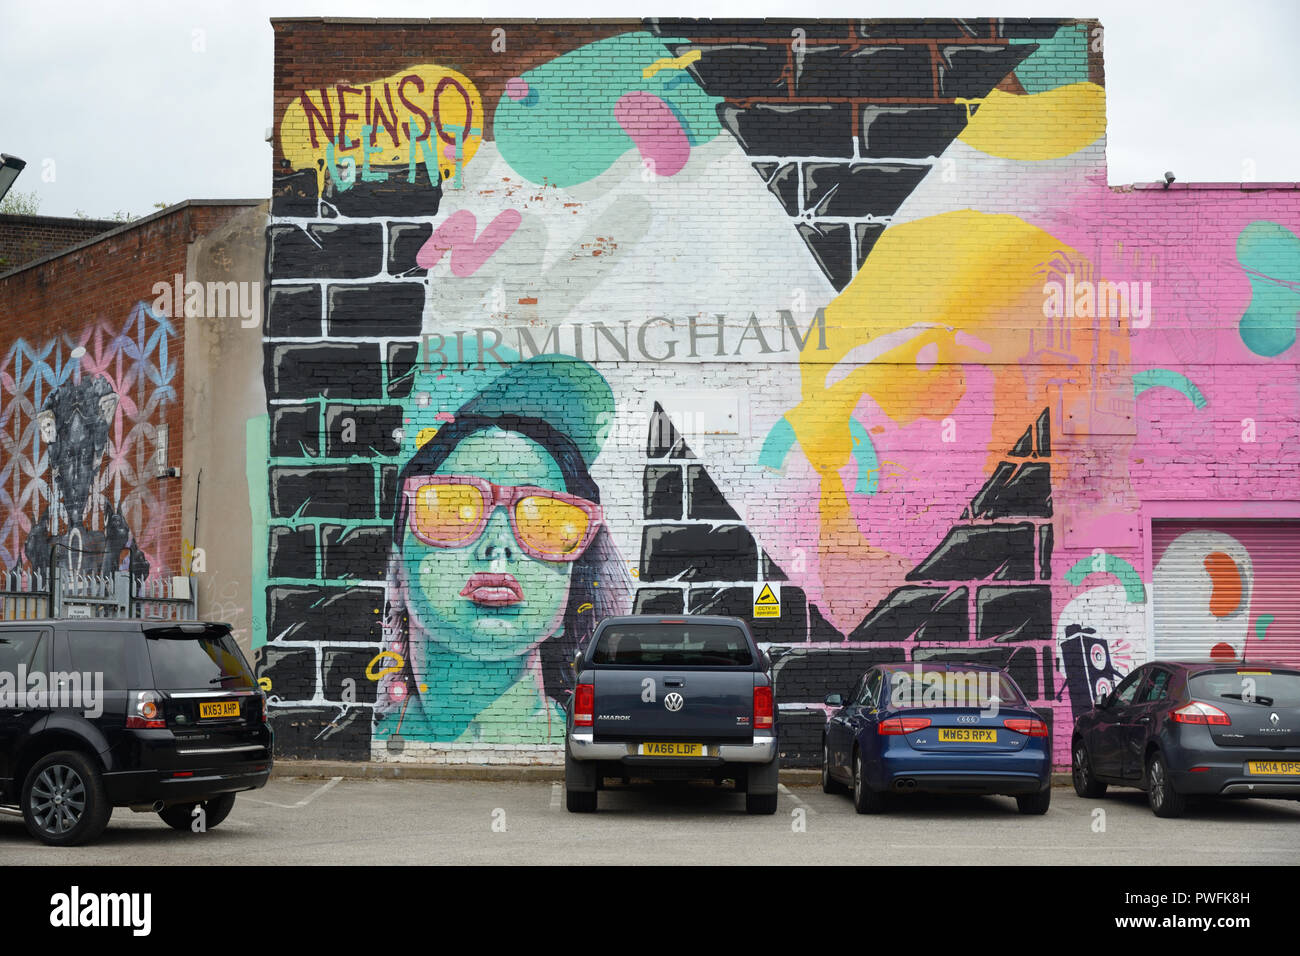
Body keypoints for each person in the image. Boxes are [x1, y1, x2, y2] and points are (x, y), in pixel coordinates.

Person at [374, 354, 629, 748]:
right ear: (396, 567)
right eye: (451, 507)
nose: (498, 547)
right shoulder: (371, 738)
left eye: (547, 518)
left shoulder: (581, 742)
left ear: (573, 582)